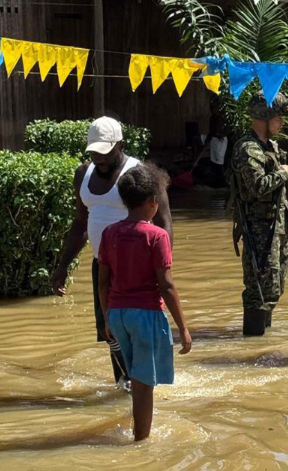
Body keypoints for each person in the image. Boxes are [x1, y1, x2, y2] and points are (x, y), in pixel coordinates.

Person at [51, 117, 173, 387]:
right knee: (111, 329)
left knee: (139, 327)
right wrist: (62, 267)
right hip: (103, 265)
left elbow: (164, 222)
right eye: (94, 152)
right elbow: (80, 223)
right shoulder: (83, 174)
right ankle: (125, 385)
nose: (99, 159)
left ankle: (142, 383)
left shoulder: (139, 174)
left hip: (137, 268)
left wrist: (162, 270)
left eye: (105, 153)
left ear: (121, 145)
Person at [98, 164, 191, 442]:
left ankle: (139, 431)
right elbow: (167, 284)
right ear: (153, 202)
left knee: (136, 379)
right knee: (144, 384)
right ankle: (141, 442)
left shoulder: (110, 233)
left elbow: (103, 281)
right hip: (146, 314)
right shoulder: (156, 236)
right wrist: (183, 327)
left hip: (117, 314)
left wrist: (106, 318)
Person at [230, 92, 288, 336]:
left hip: (275, 228)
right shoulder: (248, 149)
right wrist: (284, 174)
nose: (282, 123)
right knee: (258, 290)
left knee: (274, 287)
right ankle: (253, 343)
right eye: (279, 118)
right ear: (264, 117)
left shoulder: (269, 146)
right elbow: (256, 187)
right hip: (259, 231)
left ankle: (263, 342)